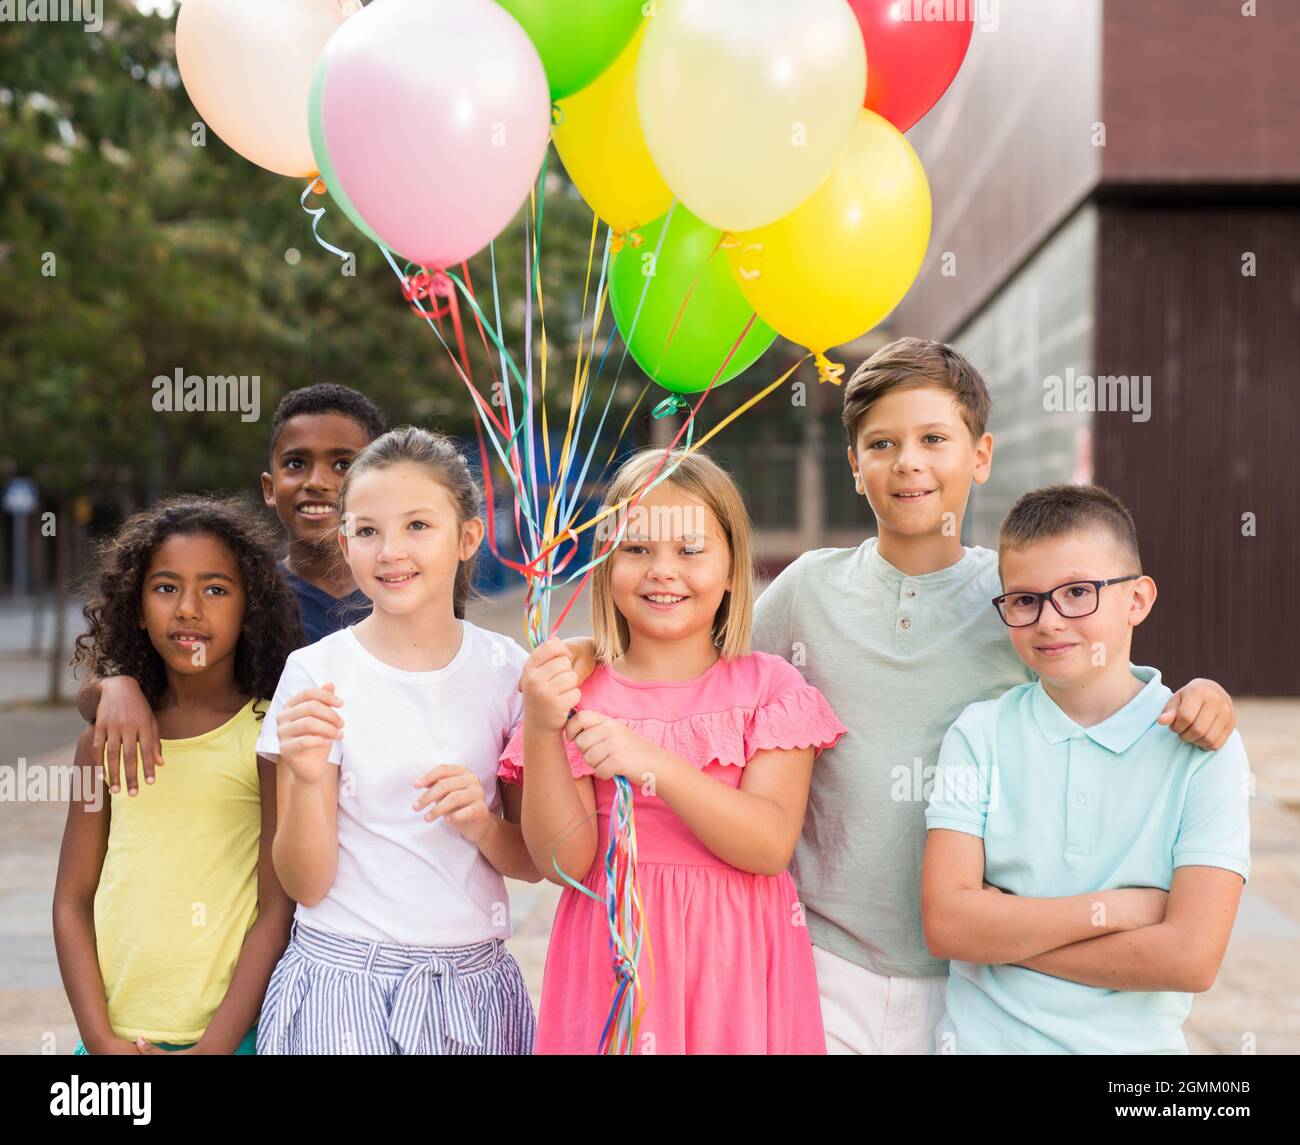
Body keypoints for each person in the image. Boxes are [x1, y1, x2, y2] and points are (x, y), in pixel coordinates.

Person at [749, 337, 1238, 1053]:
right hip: (824, 959)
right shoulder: (805, 592)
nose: (908, 460)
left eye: (934, 438)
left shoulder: (1017, 599)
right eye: (881, 444)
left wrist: (1205, 691)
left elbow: (1104, 672)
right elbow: (711, 684)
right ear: (854, 465)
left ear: (979, 455)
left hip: (975, 984)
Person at [507, 448, 846, 1054]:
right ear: (608, 565)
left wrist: (653, 764)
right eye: (636, 549)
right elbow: (565, 862)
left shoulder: (769, 688)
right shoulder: (576, 692)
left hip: (731, 966)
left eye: (690, 551)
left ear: (734, 570)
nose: (663, 570)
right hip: (614, 966)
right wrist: (540, 727)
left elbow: (768, 846)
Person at [922, 484, 1250, 1054]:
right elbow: (948, 926)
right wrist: (1121, 912)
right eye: (1024, 599)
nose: (1049, 620)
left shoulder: (1203, 747)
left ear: (1138, 600)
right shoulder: (979, 733)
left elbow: (1191, 959)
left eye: (1078, 592)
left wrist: (1000, 933)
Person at [255, 426, 538, 1055]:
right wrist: (303, 777)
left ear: (467, 538)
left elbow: (535, 861)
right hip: (340, 985)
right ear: (345, 542)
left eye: (417, 526)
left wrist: (482, 825)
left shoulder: (509, 672)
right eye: (367, 530)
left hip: (469, 991)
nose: (390, 551)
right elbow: (305, 883)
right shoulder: (315, 673)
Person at [54, 496, 302, 1054]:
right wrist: (98, 1038)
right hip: (113, 1039)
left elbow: (276, 909)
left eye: (216, 590)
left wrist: (214, 1047)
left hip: (233, 1039)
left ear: (249, 608)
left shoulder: (268, 736)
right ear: (138, 607)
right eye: (166, 588)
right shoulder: (102, 743)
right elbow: (72, 899)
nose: (189, 609)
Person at [75, 382, 387, 796]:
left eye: (343, 465)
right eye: (296, 464)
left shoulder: (403, 597)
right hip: (272, 830)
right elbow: (111, 687)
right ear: (269, 487)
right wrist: (116, 687)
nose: (318, 481)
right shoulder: (243, 598)